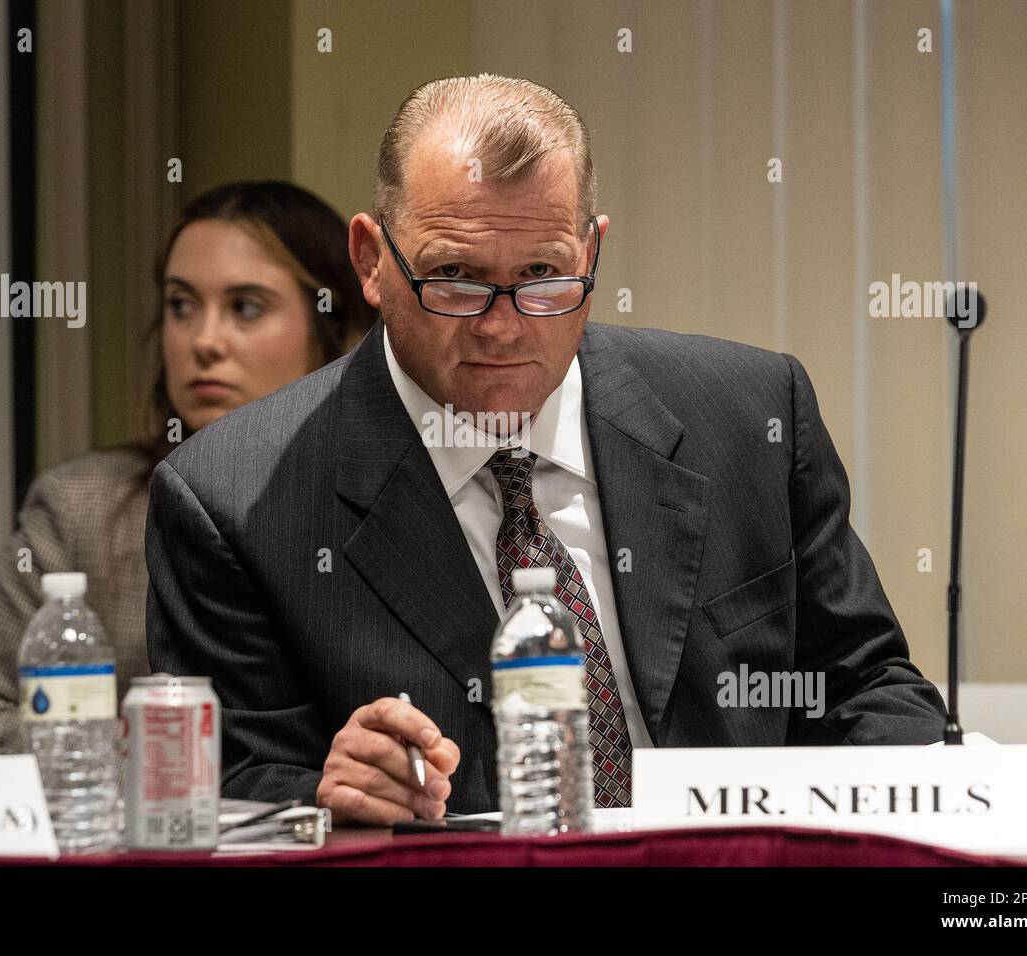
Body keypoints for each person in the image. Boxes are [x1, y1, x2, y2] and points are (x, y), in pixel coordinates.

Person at [145, 75, 948, 824]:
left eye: (542, 274)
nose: (502, 325)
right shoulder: (233, 499)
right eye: (454, 275)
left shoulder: (749, 418)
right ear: (372, 261)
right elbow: (234, 793)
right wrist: (335, 795)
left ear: (591, 254)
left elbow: (868, 689)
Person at [0, 181, 374, 756]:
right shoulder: (84, 509)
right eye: (181, 305)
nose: (203, 340)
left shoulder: (391, 497)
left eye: (245, 308)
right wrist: (122, 749)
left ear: (336, 329)